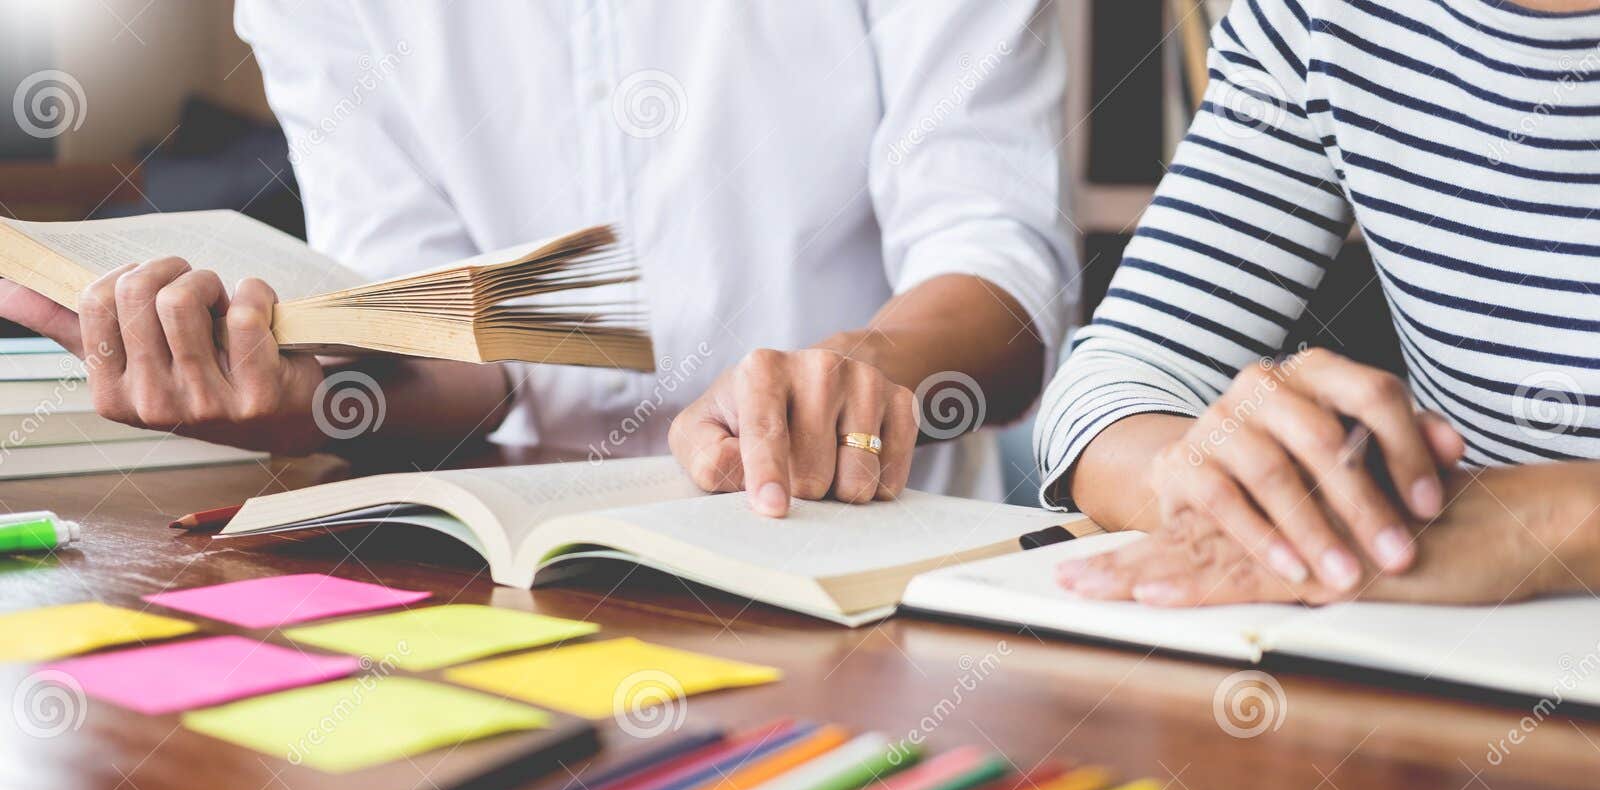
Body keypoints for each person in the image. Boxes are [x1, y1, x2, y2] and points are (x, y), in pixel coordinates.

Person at [0, 1, 1073, 517]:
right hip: (513, 553)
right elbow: (447, 347)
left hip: (857, 536)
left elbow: (1004, 279)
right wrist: (299, 402)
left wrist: (856, 367)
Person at [1036, 0, 1600, 606]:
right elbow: (1115, 379)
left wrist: (1546, 522)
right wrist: (1241, 487)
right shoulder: (1325, 16)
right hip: (1455, 642)